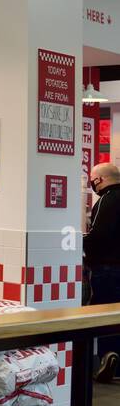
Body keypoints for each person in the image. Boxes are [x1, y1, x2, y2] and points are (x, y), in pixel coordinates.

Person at [85, 162, 120, 380]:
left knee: (106, 316)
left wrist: (81, 243)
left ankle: (109, 358)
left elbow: (97, 235)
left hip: (108, 269)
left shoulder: (107, 200)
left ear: (100, 180)